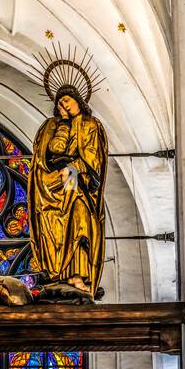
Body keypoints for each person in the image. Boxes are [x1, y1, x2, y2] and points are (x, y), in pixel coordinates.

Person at [28, 86, 107, 298]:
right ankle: (59, 274)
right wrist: (63, 124)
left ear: (78, 101)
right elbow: (52, 150)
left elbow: (94, 158)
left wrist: (75, 168)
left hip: (77, 179)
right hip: (54, 183)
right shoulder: (53, 125)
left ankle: (78, 275)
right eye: (60, 103)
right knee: (57, 229)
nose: (64, 105)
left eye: (67, 100)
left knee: (79, 223)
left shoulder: (90, 124)